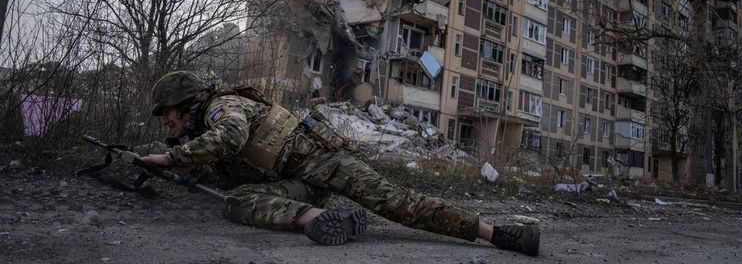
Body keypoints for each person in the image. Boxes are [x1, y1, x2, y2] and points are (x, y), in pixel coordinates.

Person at [141, 71, 540, 255]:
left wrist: (170, 156)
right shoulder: (200, 128)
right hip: (299, 185)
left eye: (168, 113)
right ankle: (316, 218)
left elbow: (231, 135)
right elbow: (228, 168)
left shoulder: (220, 108)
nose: (166, 121)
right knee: (236, 200)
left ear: (188, 103)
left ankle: (497, 234)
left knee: (397, 203)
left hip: (325, 163)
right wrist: (174, 166)